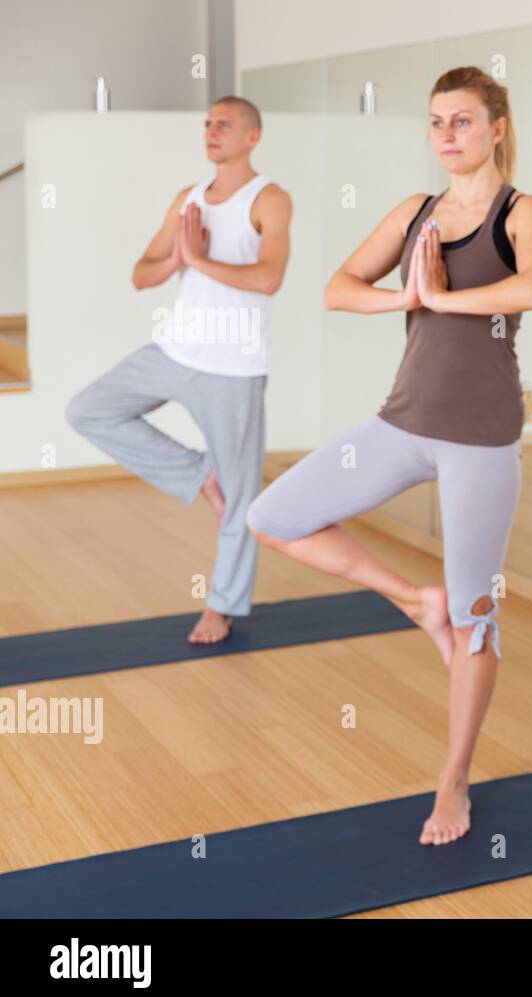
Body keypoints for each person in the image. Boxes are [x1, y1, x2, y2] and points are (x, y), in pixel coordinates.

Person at [246, 67, 532, 847]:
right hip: (402, 423)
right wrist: (407, 298)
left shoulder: (524, 211)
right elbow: (337, 287)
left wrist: (444, 297)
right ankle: (410, 599)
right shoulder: (415, 213)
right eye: (436, 122)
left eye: (462, 120)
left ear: (497, 128)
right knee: (272, 514)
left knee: (477, 623)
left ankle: (453, 782)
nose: (447, 134)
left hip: (481, 440)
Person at [66, 96, 291, 645]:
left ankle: (222, 607)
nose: (212, 131)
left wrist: (200, 261)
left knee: (241, 500)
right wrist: (177, 259)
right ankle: (197, 474)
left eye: (224, 124)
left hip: (233, 369)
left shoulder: (270, 199)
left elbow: (268, 278)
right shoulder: (187, 199)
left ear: (253, 137)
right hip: (174, 352)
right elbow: (141, 275)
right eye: (207, 123)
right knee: (87, 410)